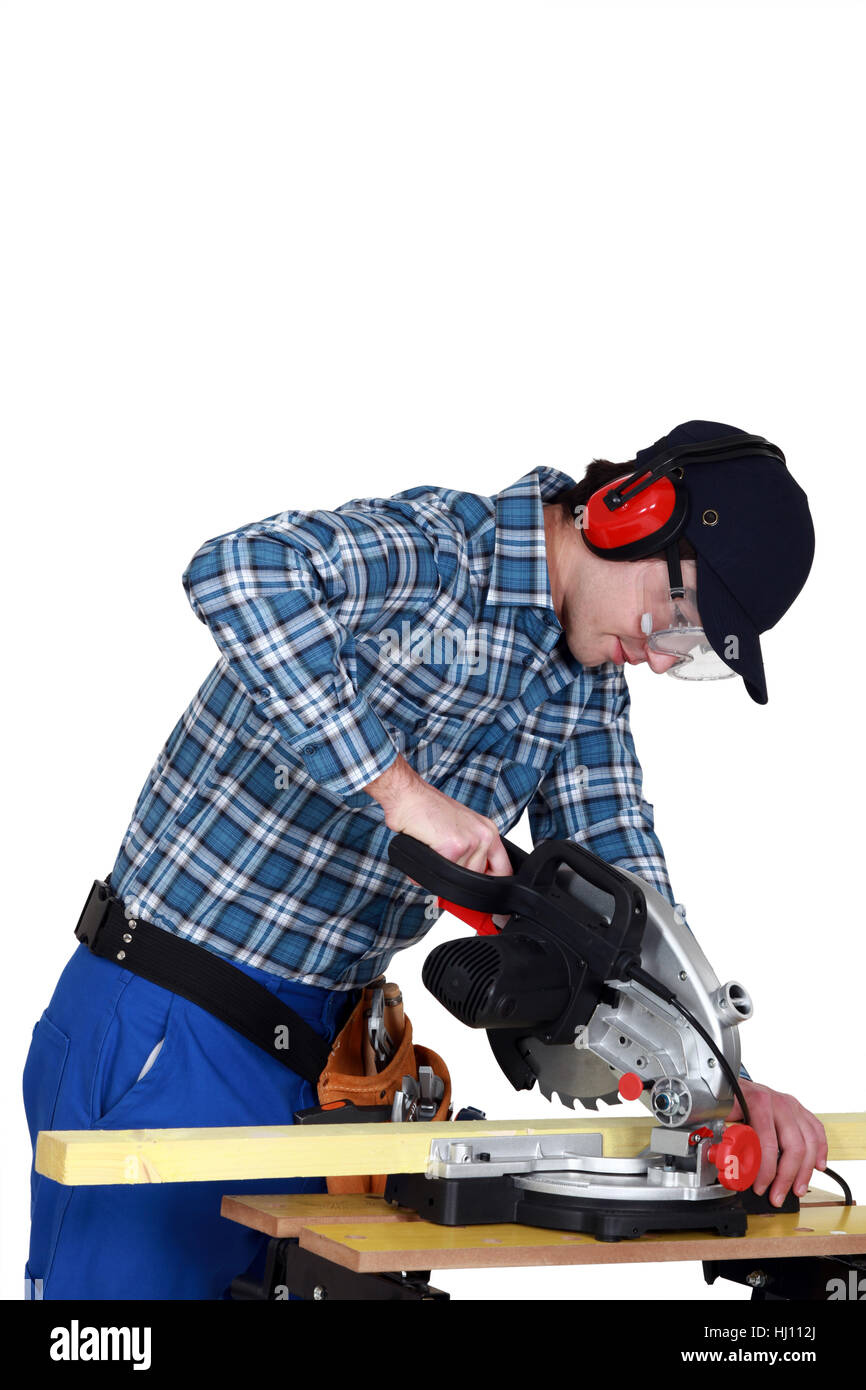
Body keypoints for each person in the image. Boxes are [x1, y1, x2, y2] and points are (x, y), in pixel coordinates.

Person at [23, 419, 826, 1299]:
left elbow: (624, 892)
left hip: (329, 1067)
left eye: (691, 647)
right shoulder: (445, 554)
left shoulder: (583, 691)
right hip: (170, 1020)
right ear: (634, 510)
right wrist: (399, 790)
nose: (662, 651)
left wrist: (727, 1087)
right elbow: (238, 569)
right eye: (677, 611)